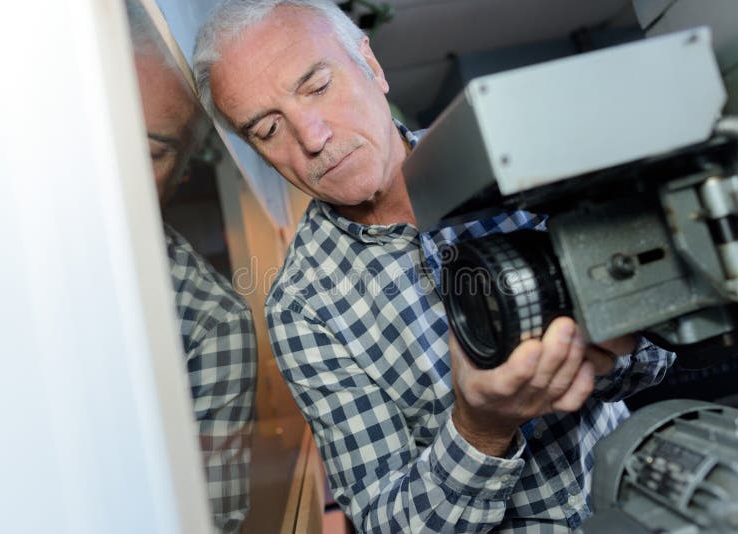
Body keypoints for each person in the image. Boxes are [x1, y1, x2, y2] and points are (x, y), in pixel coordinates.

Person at [192, 1, 675, 531]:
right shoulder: (301, 307)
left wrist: (610, 350)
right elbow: (385, 521)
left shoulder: (514, 161)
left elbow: (661, 345)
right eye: (267, 130)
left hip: (648, 499)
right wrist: (480, 430)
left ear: (370, 66)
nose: (312, 137)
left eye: (317, 86)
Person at [127, 3, 257, 532]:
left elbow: (211, 520)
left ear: (178, 176)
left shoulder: (211, 324)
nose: (111, 165)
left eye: (148, 151)